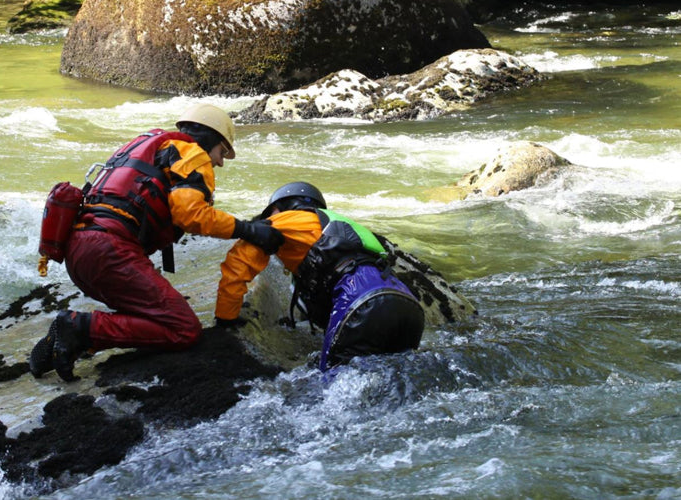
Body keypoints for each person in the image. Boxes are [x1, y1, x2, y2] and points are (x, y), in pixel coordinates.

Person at [30, 103, 284, 381]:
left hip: (80, 250)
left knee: (155, 314)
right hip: (111, 251)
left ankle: (70, 343)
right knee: (183, 328)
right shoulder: (193, 153)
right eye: (222, 152)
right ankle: (77, 328)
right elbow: (191, 214)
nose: (220, 162)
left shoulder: (149, 144)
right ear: (210, 139)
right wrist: (249, 230)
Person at [214, 182, 425, 371]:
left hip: (363, 301)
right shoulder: (335, 224)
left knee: (334, 388)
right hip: (407, 305)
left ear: (277, 209)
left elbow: (237, 265)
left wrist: (226, 319)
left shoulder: (279, 222)